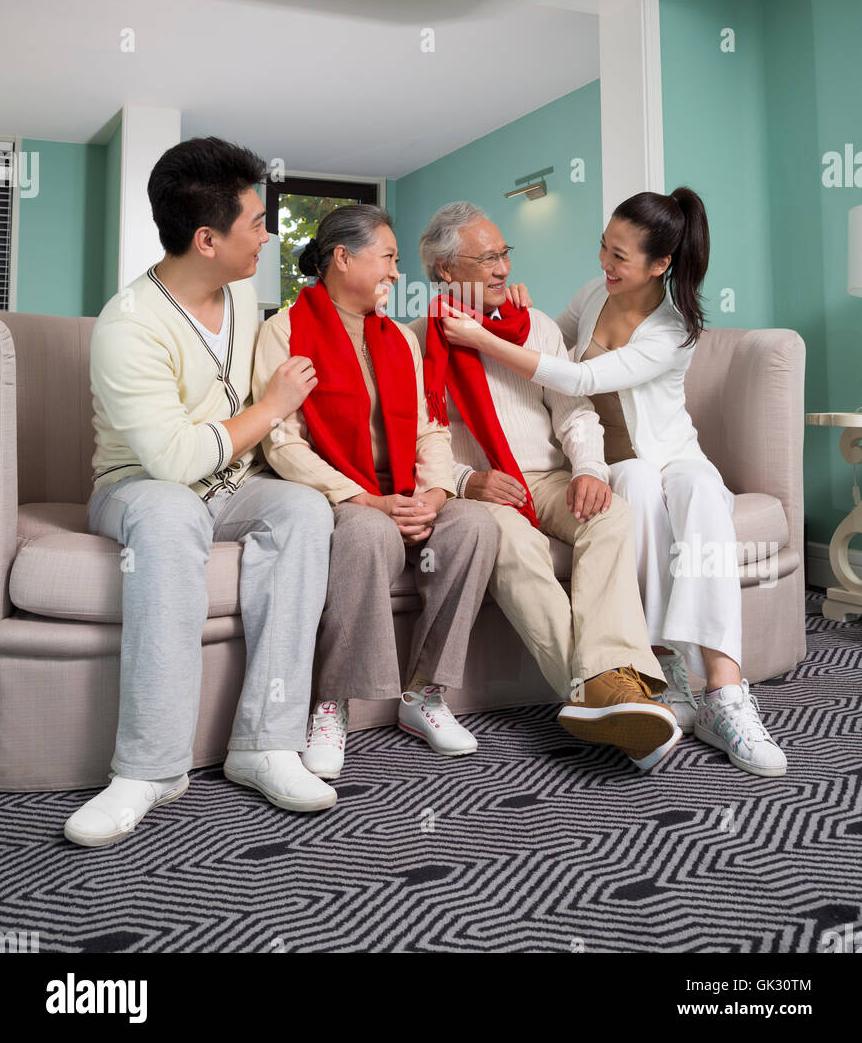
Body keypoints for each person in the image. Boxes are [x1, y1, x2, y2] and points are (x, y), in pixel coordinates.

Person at [441, 187, 786, 778]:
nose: (606, 261)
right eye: (605, 245)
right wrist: (512, 309)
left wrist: (489, 338)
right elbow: (549, 336)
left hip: (669, 451)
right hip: (619, 460)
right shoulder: (594, 293)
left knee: (699, 493)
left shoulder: (673, 329)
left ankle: (725, 692)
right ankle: (652, 672)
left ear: (661, 264)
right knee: (633, 494)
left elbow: (574, 379)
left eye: (621, 256)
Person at [64, 137, 339, 848]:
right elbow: (174, 458)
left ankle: (264, 743)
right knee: (168, 509)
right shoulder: (128, 326)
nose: (268, 235)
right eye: (255, 222)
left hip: (233, 486)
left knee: (305, 509)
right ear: (207, 238)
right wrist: (271, 408)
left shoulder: (242, 294)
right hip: (139, 488)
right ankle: (149, 769)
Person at [409, 202, 681, 775]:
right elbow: (421, 435)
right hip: (479, 490)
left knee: (611, 516)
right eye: (485, 259)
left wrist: (589, 469)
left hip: (552, 475)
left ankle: (599, 686)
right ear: (444, 271)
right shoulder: (415, 342)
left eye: (505, 254)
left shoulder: (535, 326)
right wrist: (468, 479)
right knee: (511, 543)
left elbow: (574, 412)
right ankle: (612, 692)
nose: (502, 268)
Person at [251, 204, 500, 780]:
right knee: (363, 534)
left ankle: (424, 694)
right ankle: (331, 704)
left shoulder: (399, 340)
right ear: (343, 258)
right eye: (386, 258)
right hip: (349, 498)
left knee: (476, 525)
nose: (395, 272)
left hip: (406, 495)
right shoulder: (285, 330)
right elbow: (282, 444)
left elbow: (428, 428)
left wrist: (435, 494)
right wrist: (367, 500)